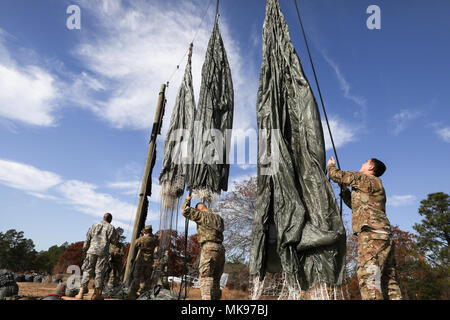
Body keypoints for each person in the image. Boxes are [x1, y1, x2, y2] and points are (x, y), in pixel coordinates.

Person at [327, 156, 402, 300]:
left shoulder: (366, 179)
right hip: (382, 236)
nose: (362, 163)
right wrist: (345, 191)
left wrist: (331, 166)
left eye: (366, 163)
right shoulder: (372, 184)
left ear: (371, 168)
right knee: (388, 280)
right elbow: (357, 206)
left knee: (369, 277)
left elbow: (337, 175)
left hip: (372, 236)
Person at [182, 195, 225, 300]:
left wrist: (187, 200)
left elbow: (185, 211)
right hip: (220, 249)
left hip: (208, 247)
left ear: (199, 208)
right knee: (216, 279)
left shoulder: (201, 215)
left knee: (205, 277)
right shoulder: (218, 218)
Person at [76, 213, 118, 300]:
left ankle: (80, 293)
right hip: (103, 252)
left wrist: (85, 249)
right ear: (110, 219)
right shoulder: (111, 228)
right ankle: (96, 295)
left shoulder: (94, 225)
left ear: (103, 218)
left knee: (87, 270)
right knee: (99, 272)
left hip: (91, 250)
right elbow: (114, 242)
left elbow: (87, 238)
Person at [127, 225, 159, 299]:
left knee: (137, 277)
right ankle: (145, 295)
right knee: (147, 279)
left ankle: (132, 295)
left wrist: (140, 236)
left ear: (146, 231)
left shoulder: (142, 238)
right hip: (150, 261)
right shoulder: (155, 239)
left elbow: (135, 244)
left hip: (141, 260)